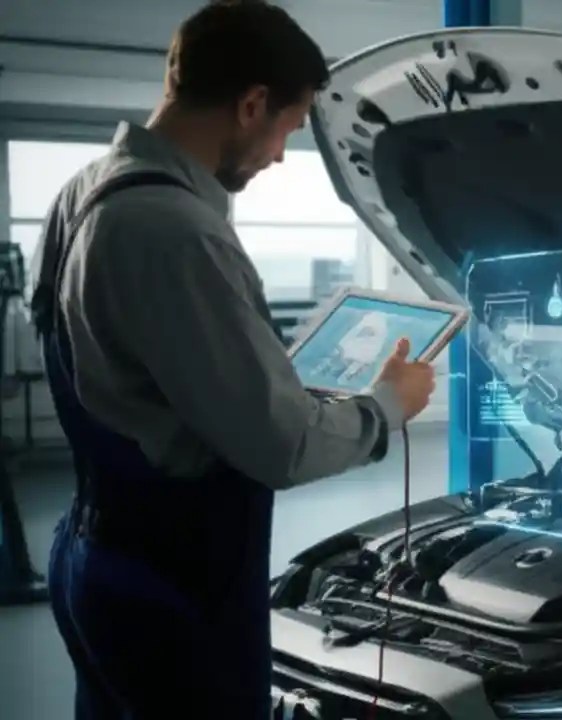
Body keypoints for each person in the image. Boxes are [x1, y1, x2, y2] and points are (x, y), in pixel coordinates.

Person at [28, 1, 436, 717]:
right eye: (285, 126)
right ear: (252, 105)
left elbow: (144, 373)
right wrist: (385, 408)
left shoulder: (81, 194)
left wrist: (264, 372)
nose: (280, 152)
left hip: (92, 560)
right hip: (172, 587)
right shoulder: (178, 231)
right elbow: (283, 446)